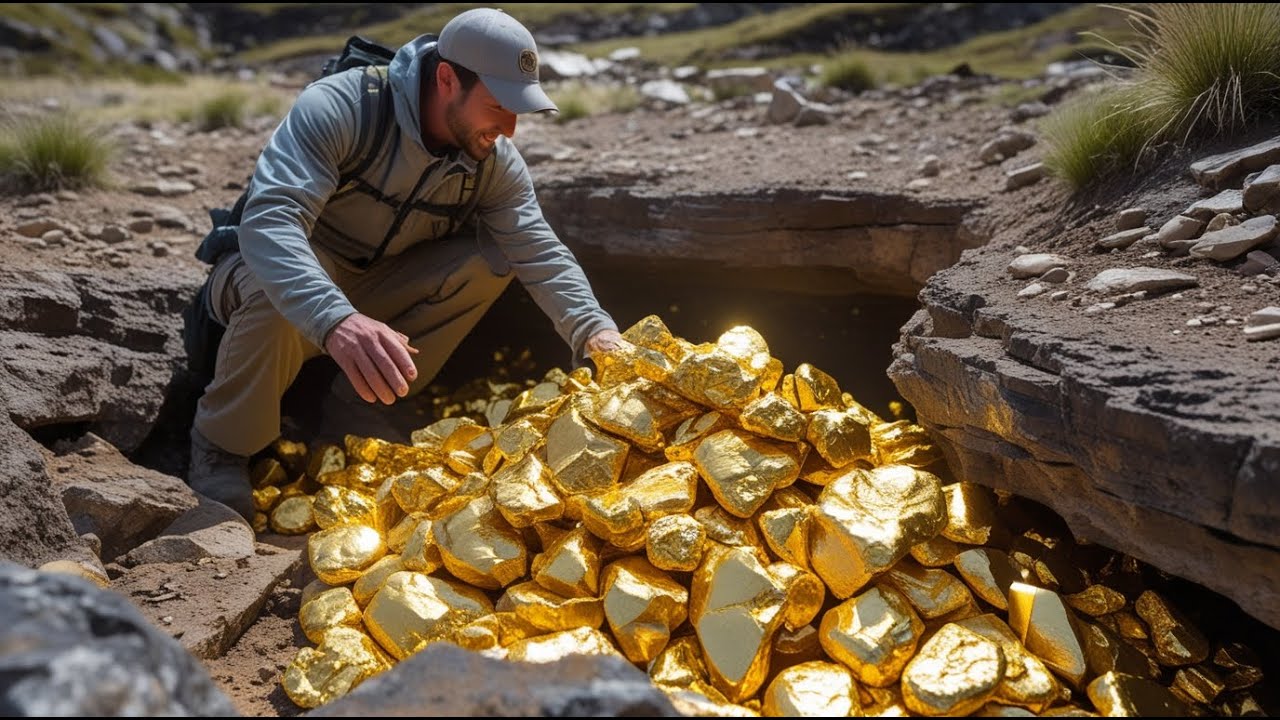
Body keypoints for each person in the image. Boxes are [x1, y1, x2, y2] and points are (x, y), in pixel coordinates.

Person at [186, 7, 625, 521]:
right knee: (273, 290)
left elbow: (539, 250)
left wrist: (595, 331)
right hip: (280, 270)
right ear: (446, 79)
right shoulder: (342, 107)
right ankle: (223, 446)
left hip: (378, 282)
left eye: (519, 110)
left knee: (488, 261)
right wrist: (337, 319)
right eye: (498, 105)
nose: (509, 128)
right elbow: (272, 224)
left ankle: (361, 410)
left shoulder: (494, 161)